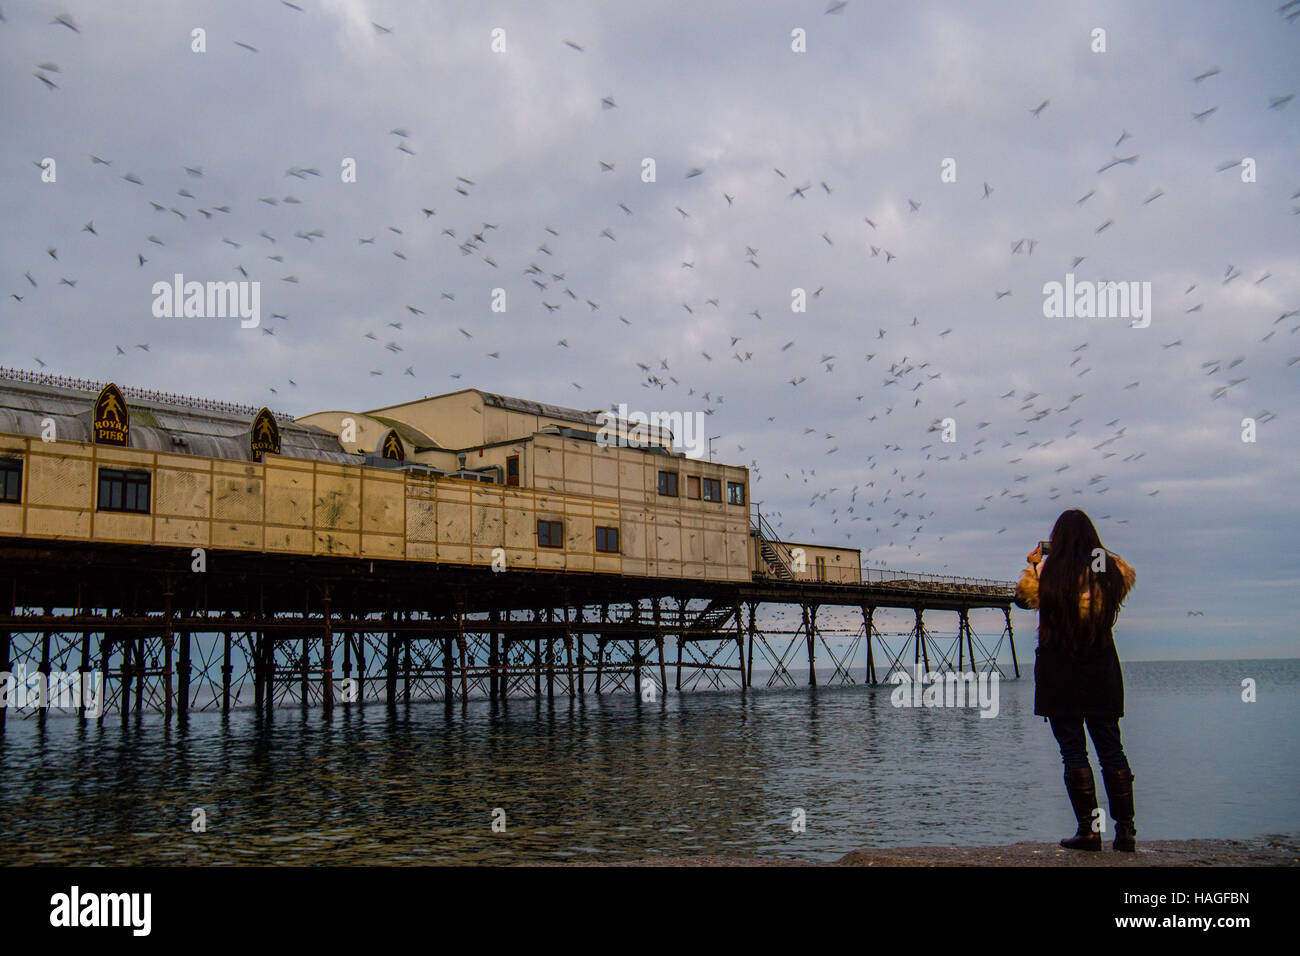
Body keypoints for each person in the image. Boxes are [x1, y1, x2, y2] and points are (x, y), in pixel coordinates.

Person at [1014, 509, 1138, 852]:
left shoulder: (1047, 570)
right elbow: (1115, 575)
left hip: (1060, 673)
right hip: (1101, 670)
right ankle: (1125, 832)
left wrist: (1033, 564)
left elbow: (1022, 599)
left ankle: (1089, 831)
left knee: (1073, 752)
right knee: (1111, 749)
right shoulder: (1106, 570)